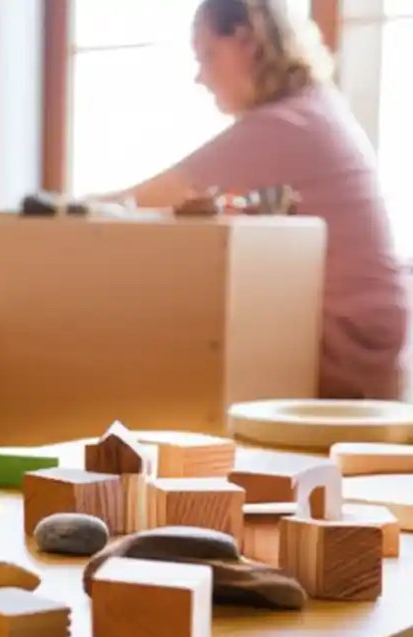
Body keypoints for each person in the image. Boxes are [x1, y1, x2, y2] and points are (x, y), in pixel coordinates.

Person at [114, 0, 407, 400]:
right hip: (372, 340)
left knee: (169, 328)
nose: (201, 76)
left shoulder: (288, 125)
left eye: (208, 55)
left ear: (247, 42)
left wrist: (54, 207)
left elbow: (142, 199)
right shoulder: (315, 108)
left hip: (348, 347)